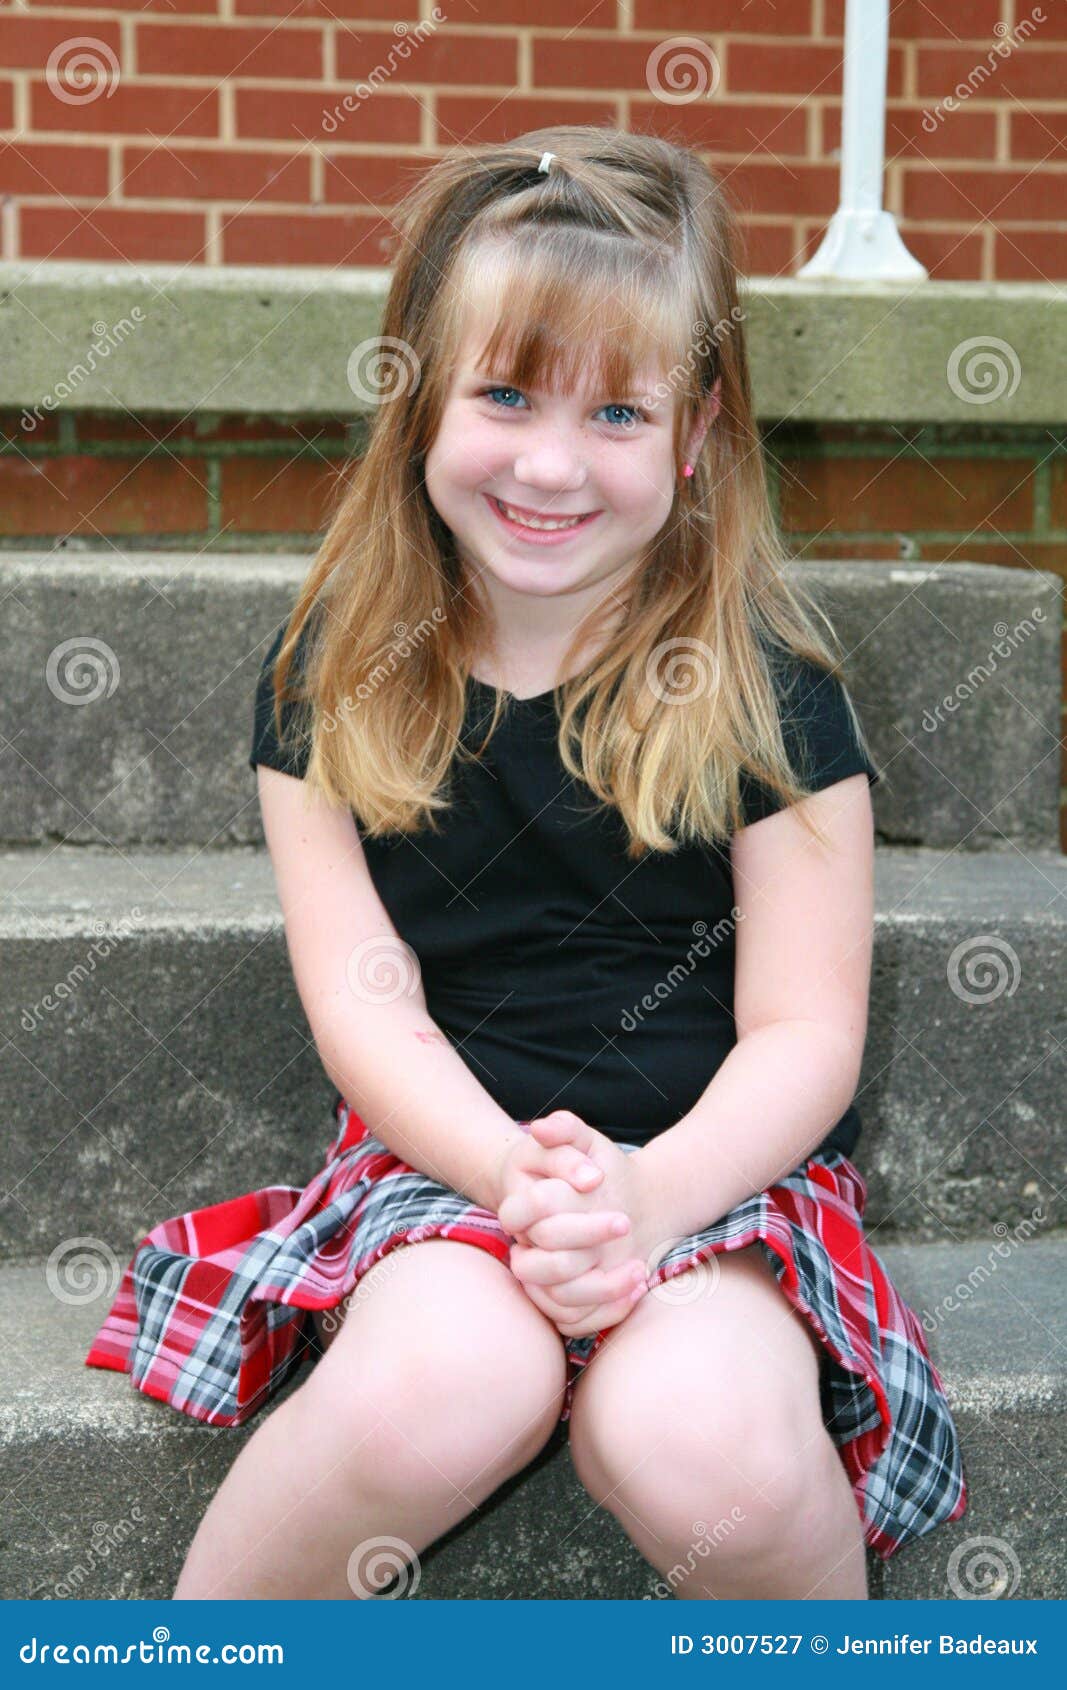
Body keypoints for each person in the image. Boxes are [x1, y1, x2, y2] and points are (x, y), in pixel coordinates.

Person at [85, 127, 967, 1601]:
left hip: (718, 1174)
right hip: (446, 1155)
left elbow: (805, 1030)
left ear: (692, 438)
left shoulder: (769, 690)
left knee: (718, 1451)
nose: (551, 463)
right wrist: (512, 1176)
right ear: (419, 396)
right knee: (439, 1382)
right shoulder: (336, 679)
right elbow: (364, 1005)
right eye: (503, 393)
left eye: (617, 412)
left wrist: (649, 1194)